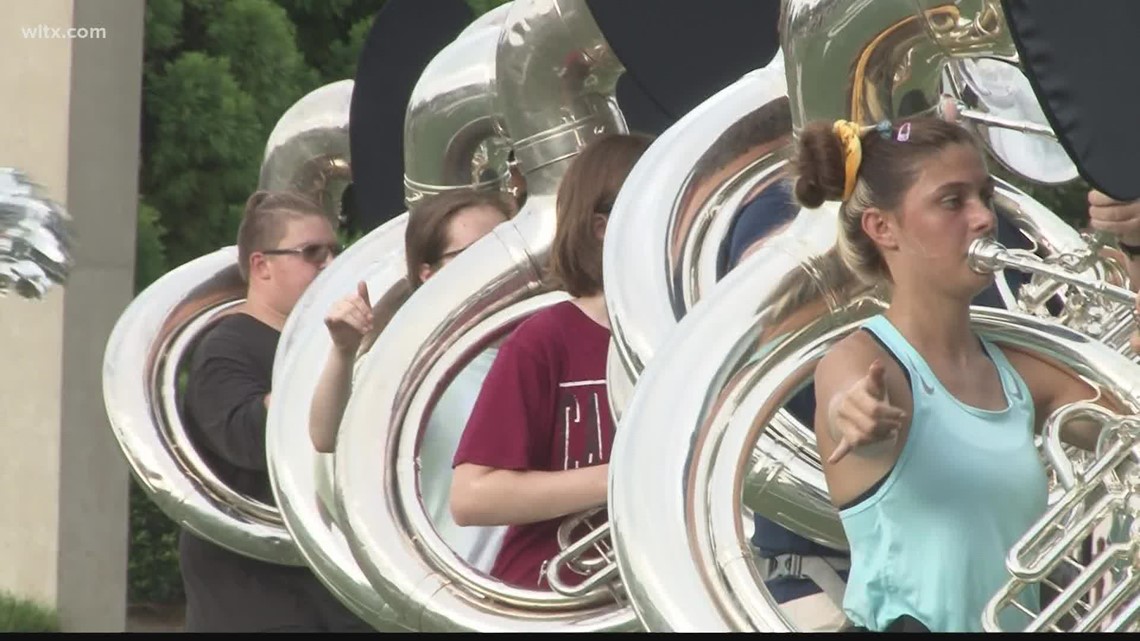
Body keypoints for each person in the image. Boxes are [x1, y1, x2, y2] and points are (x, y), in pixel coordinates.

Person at [790, 115, 1119, 632]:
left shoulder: (1017, 368)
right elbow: (846, 395)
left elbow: (1128, 420)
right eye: (952, 201)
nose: (984, 218)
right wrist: (851, 413)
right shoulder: (863, 360)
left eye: (984, 197)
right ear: (882, 228)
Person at [448, 132, 653, 591]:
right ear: (603, 227)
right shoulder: (545, 339)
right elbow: (472, 495)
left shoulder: (689, 336)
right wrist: (628, 476)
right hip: (556, 597)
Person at [179, 190, 371, 632]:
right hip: (258, 597)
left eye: (334, 251)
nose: (330, 264)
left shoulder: (330, 344)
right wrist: (331, 368)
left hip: (329, 591)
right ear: (262, 265)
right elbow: (247, 439)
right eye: (312, 253)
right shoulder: (225, 347)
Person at [308, 188, 515, 573]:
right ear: (429, 273)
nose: (501, 262)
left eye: (507, 243)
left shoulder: (552, 339)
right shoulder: (406, 362)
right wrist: (342, 351)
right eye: (476, 253)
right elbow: (325, 435)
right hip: (464, 586)